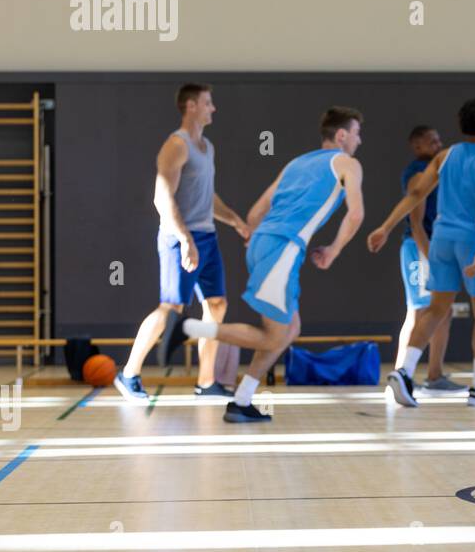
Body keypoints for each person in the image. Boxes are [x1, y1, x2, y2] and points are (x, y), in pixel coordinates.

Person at [178, 107, 366, 423]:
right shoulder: (348, 163)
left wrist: (260, 244)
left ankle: (242, 400)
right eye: (357, 133)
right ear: (342, 135)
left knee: (290, 328)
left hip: (266, 242)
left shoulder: (294, 164)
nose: (359, 141)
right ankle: (187, 329)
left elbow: (255, 212)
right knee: (275, 336)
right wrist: (333, 249)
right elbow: (356, 214)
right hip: (283, 247)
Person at [367, 98, 475, 408]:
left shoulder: (446, 155)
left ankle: (404, 372)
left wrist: (385, 227)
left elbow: (416, 193)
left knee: (435, 308)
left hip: (442, 239)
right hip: (473, 239)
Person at [115, 83, 249, 403]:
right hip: (178, 238)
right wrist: (185, 238)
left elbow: (208, 197)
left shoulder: (208, 147)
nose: (212, 108)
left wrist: (235, 221)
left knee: (217, 305)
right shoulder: (177, 145)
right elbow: (162, 197)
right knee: (171, 307)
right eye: (207, 103)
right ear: (191, 106)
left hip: (207, 237)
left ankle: (207, 382)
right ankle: (129, 373)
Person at [392, 125, 460, 395]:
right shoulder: (418, 174)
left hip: (433, 248)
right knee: (419, 312)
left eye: (439, 139)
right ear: (417, 146)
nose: (438, 144)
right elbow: (415, 219)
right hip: (419, 248)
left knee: (444, 312)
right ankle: (401, 374)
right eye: (432, 141)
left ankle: (435, 375)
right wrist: (429, 256)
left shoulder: (438, 173)